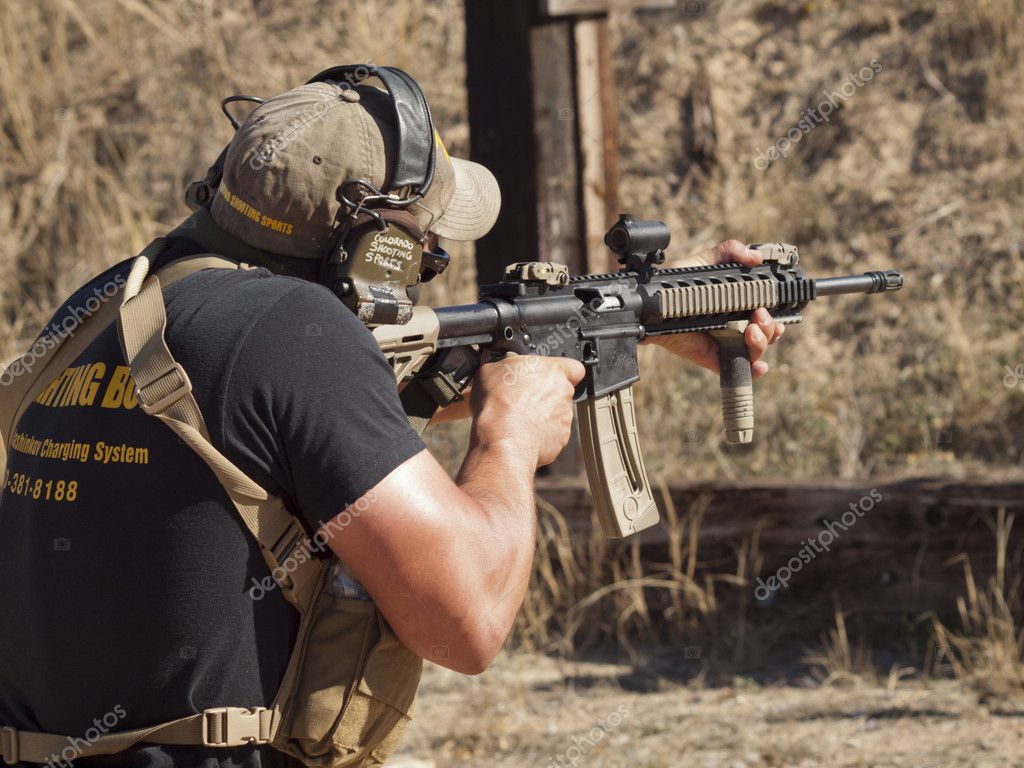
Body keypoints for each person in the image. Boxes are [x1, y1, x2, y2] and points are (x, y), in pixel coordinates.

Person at [0, 69, 782, 767]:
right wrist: (507, 435)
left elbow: (317, 419)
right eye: (424, 244)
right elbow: (465, 623)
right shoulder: (294, 332)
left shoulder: (117, 299)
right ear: (370, 245)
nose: (434, 253)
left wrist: (633, 315)